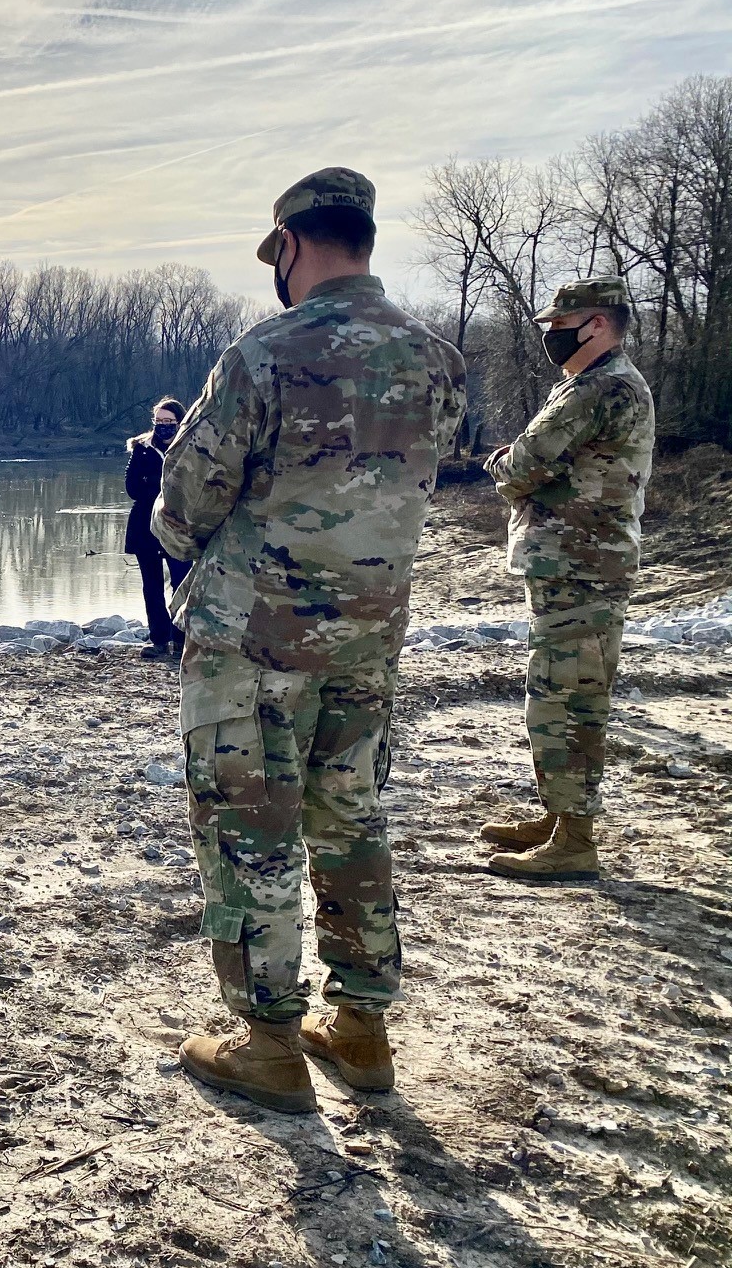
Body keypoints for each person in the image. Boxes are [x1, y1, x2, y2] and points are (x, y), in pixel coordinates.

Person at [152, 167, 466, 1113]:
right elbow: (420, 479)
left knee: (250, 832)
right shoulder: (436, 359)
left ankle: (271, 1042)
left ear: (290, 246)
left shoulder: (266, 355)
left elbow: (185, 501)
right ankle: (364, 1028)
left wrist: (192, 552)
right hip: (370, 638)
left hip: (255, 640)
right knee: (352, 816)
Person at [479, 278, 655, 880]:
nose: (552, 335)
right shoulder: (595, 386)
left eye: (562, 324)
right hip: (578, 566)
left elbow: (523, 466)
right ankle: (561, 818)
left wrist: (504, 463)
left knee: (568, 700)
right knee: (558, 695)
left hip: (583, 567)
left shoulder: (600, 388)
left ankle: (574, 837)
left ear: (598, 325)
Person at [124, 397, 190, 660]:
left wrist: (153, 484)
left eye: (169, 422)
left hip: (179, 525)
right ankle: (159, 640)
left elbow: (194, 487)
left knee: (181, 583)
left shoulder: (190, 446)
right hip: (145, 526)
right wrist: (163, 486)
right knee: (151, 586)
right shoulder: (141, 448)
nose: (163, 426)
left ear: (179, 422)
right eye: (159, 421)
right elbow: (132, 488)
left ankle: (181, 641)